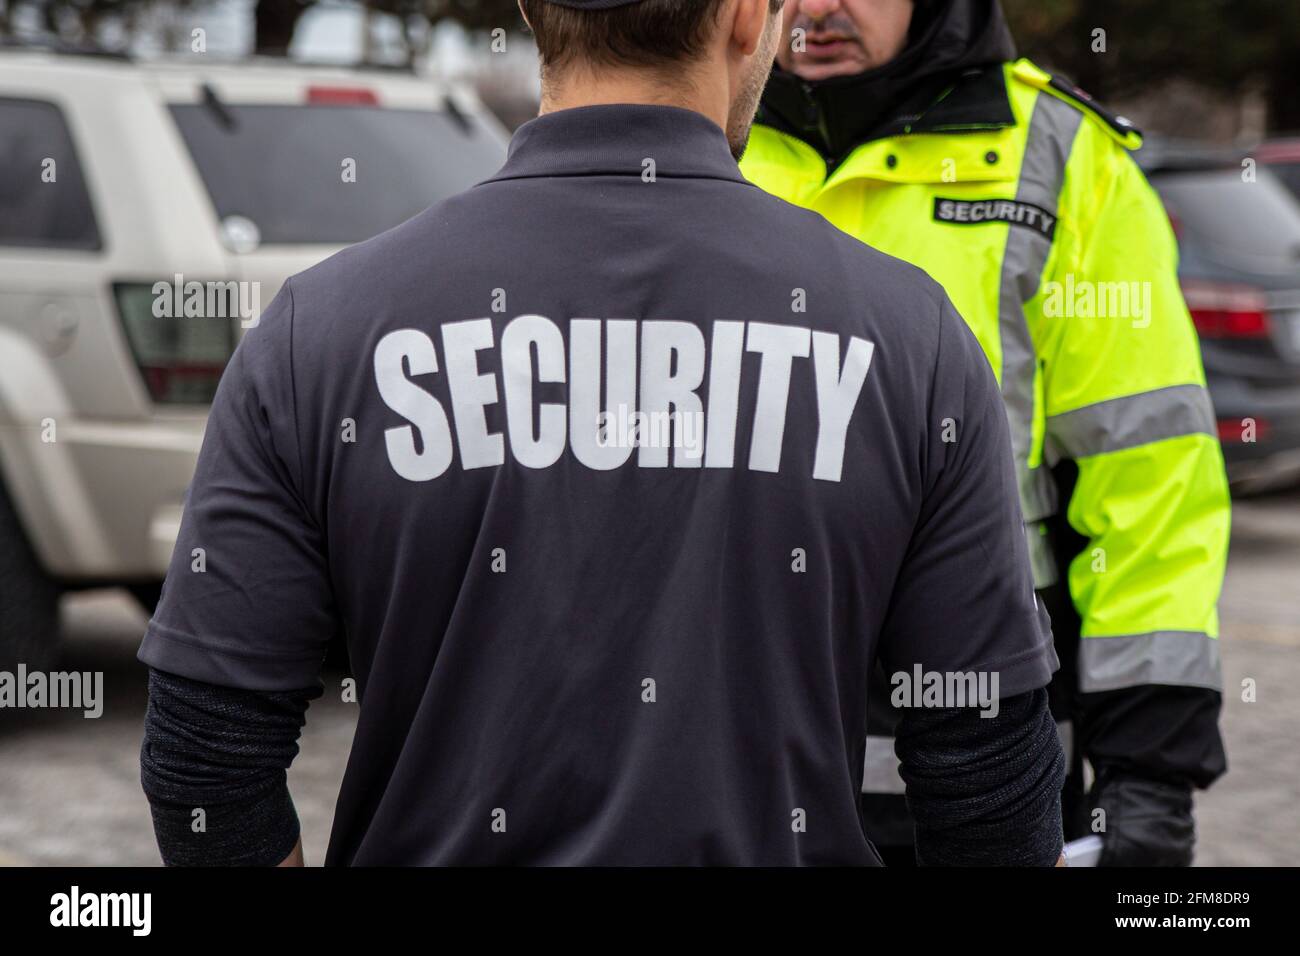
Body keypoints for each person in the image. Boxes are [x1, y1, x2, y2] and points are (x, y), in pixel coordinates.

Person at [137, 0, 1064, 866]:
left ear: (533, 12)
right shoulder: (909, 336)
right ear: (747, 18)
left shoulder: (322, 330)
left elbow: (206, 759)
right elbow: (986, 776)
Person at [739, 0, 1229, 866]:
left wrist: (1150, 773)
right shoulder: (703, 140)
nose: (815, 9)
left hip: (992, 765)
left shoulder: (1066, 159)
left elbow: (1152, 486)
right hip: (738, 761)